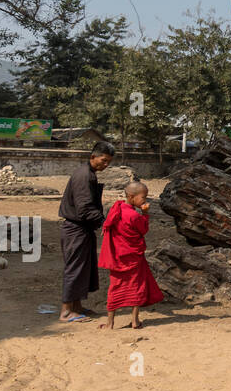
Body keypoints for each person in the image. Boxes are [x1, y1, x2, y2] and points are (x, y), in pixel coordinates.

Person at [58, 141, 114, 322]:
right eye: (103, 161)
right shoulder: (84, 176)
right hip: (76, 229)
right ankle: (66, 311)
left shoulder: (89, 174)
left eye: (108, 162)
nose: (105, 165)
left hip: (82, 229)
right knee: (75, 268)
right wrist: (105, 224)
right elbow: (85, 208)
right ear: (93, 157)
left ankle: (77, 306)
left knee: (84, 268)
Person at [97, 180, 164, 330]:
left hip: (118, 257)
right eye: (143, 198)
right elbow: (143, 230)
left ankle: (110, 323)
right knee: (136, 286)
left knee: (115, 287)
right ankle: (134, 320)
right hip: (132, 256)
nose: (145, 201)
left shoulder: (117, 209)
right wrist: (145, 214)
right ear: (132, 197)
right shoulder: (134, 216)